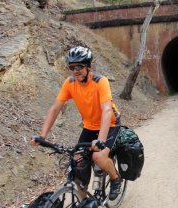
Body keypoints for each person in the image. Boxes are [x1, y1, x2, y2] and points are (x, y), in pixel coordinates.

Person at [30, 46, 122, 200]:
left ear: (88, 66)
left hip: (111, 124)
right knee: (78, 160)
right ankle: (83, 200)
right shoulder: (70, 83)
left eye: (79, 66)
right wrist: (42, 135)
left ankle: (115, 178)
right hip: (90, 126)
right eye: (71, 67)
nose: (75, 70)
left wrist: (101, 140)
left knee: (98, 157)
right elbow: (55, 109)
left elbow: (106, 110)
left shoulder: (101, 81)